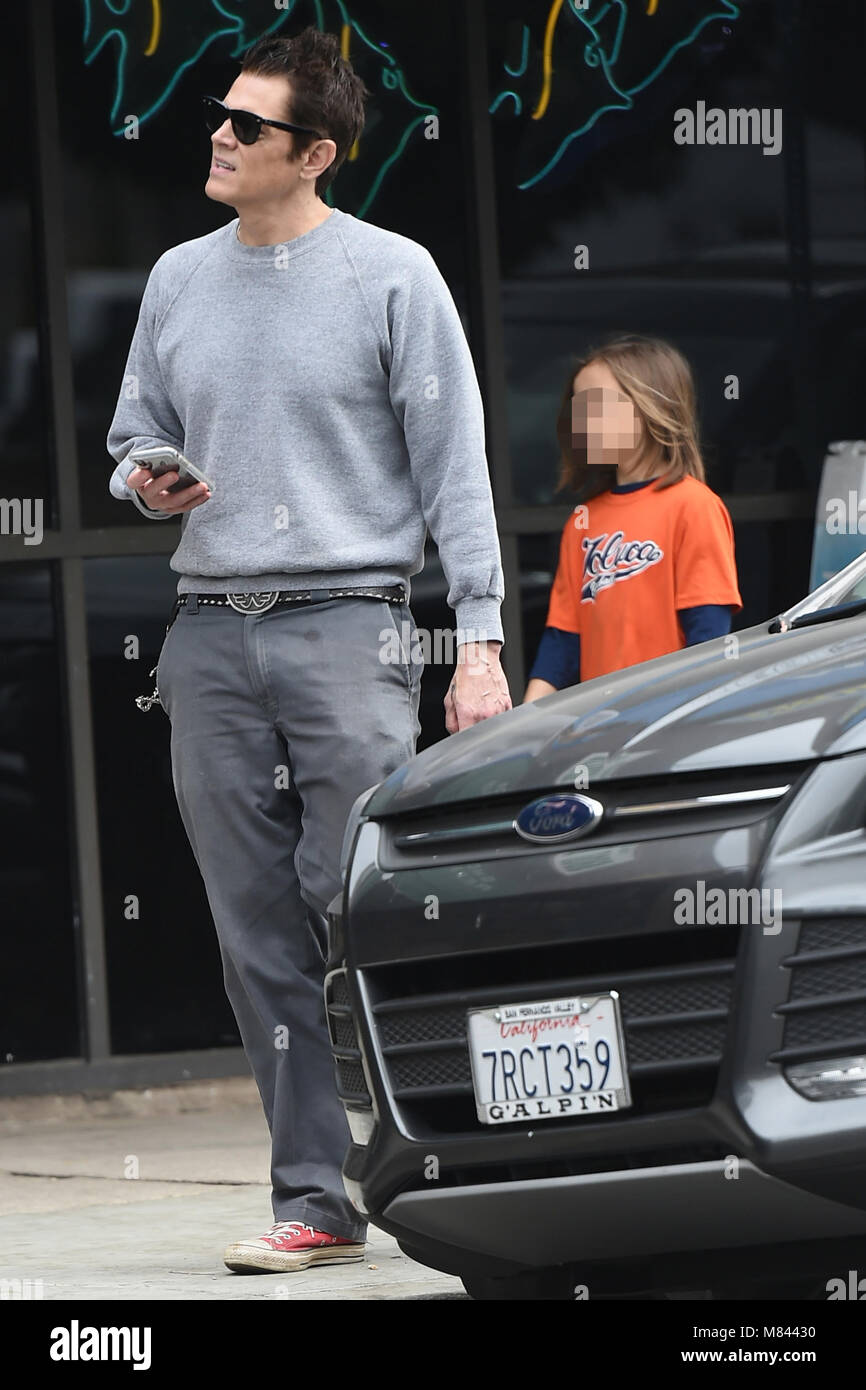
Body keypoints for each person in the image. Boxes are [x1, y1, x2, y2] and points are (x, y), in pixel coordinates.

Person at [106, 26, 511, 1275]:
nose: (218, 136)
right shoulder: (177, 277)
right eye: (220, 117)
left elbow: (454, 474)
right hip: (212, 635)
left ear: (316, 153)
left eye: (247, 125)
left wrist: (479, 638)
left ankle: (449, 1160)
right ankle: (314, 1199)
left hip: (353, 625)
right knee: (254, 932)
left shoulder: (394, 277)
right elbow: (133, 431)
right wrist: (145, 482)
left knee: (368, 906)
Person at [524, 336, 742, 699]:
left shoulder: (694, 506)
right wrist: (521, 726)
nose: (584, 420)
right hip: (601, 727)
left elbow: (709, 640)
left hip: (668, 727)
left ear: (652, 406)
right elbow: (562, 644)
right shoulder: (582, 522)